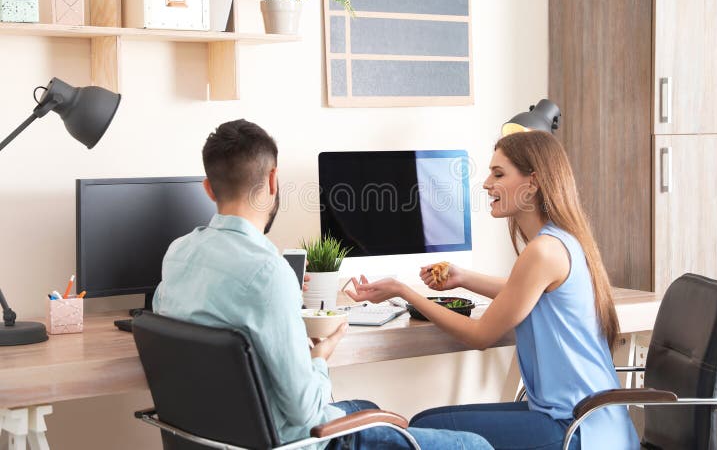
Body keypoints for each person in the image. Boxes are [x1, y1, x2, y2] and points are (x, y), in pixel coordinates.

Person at [153, 119, 491, 450]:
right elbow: (306, 414)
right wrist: (319, 357)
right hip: (297, 441)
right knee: (475, 444)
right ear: (272, 181)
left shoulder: (177, 255)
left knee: (366, 407)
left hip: (220, 436)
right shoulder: (270, 272)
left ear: (209, 188)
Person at [346, 130, 640, 450]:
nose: (486, 184)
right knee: (425, 422)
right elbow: (524, 292)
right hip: (587, 420)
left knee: (422, 431)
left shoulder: (543, 252)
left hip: (579, 430)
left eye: (498, 174)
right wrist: (462, 277)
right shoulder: (561, 241)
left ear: (532, 182)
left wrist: (405, 292)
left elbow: (480, 336)